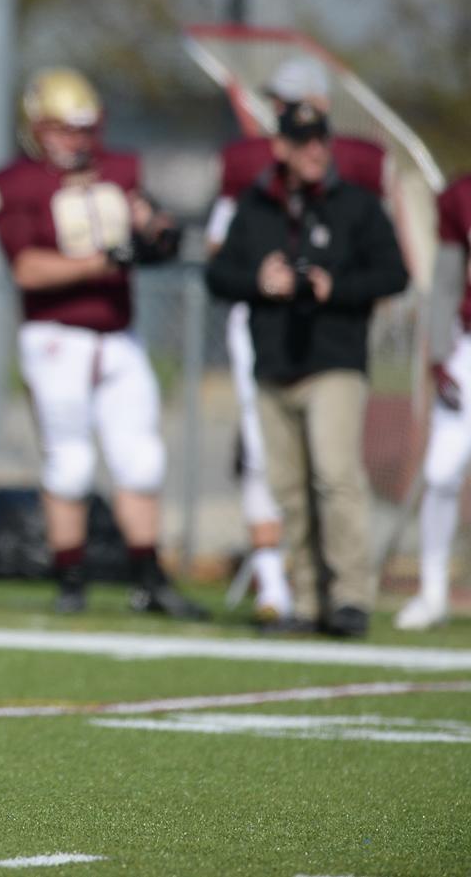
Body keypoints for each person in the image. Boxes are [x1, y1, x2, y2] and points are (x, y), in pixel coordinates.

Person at [0, 67, 204, 619]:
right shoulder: (13, 183)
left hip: (119, 334)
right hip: (55, 336)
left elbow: (147, 216)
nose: (74, 140)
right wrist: (105, 260)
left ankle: (150, 579)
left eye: (82, 128)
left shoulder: (120, 169)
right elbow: (27, 269)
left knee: (141, 459)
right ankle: (71, 580)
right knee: (70, 464)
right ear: (36, 126)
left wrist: (158, 230)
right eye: (62, 128)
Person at [206, 101, 409, 638]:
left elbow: (394, 273)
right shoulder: (256, 206)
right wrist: (259, 279)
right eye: (303, 142)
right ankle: (306, 598)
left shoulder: (356, 206)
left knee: (336, 477)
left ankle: (350, 597)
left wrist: (333, 289)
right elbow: (218, 275)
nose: (315, 151)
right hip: (275, 362)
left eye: (321, 140)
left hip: (333, 359)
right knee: (289, 489)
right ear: (281, 149)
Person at [396, 173, 471, 630]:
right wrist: (439, 353)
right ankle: (433, 591)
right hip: (468, 349)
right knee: (441, 469)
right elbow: (446, 280)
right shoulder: (460, 197)